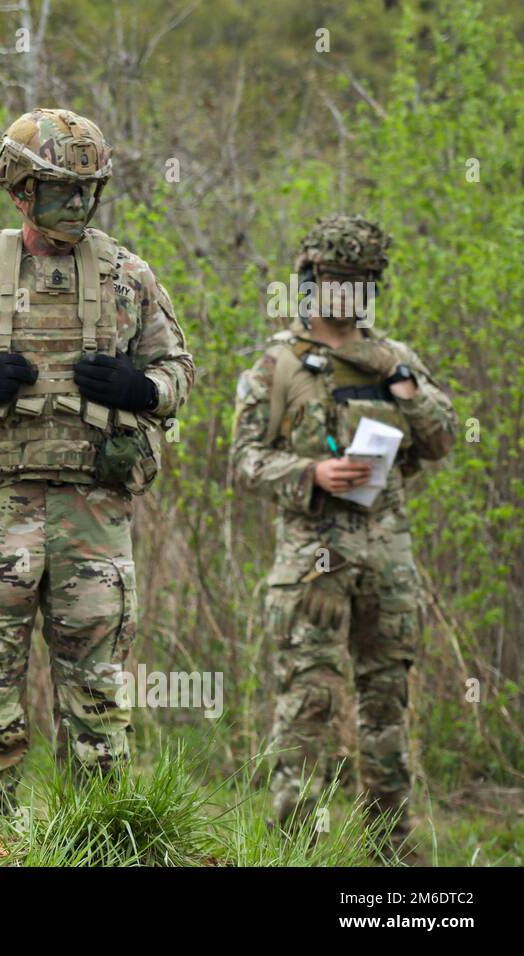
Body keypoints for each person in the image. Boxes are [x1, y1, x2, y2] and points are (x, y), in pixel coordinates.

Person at [0, 109, 193, 831]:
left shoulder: (128, 276)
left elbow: (178, 368)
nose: (78, 203)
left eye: (89, 190)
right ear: (20, 191)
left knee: (100, 692)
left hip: (94, 515)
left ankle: (101, 834)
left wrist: (142, 391)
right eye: (61, 189)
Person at [230, 214, 455, 858]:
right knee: (308, 708)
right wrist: (312, 471)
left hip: (387, 559)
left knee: (387, 707)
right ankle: (296, 849)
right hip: (312, 564)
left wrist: (402, 384)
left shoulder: (396, 361)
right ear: (310, 280)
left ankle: (391, 856)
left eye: (361, 282)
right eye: (336, 281)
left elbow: (440, 440)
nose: (347, 295)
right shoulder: (279, 365)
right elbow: (244, 462)